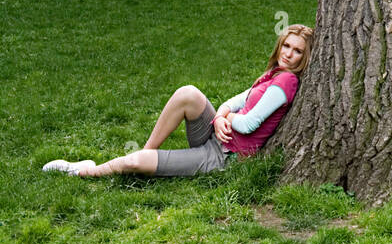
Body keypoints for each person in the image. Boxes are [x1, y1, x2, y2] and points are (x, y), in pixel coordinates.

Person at [42, 25, 314, 179]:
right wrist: (220, 117)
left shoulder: (287, 82)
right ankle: (145, 154)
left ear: (306, 57)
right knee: (188, 93)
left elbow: (248, 124)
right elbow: (235, 100)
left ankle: (85, 171)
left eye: (298, 51)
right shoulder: (273, 73)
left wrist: (227, 120)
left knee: (136, 163)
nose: (289, 54)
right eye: (286, 46)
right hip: (218, 135)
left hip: (223, 155)